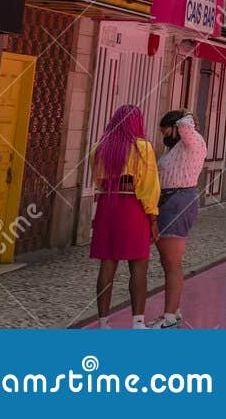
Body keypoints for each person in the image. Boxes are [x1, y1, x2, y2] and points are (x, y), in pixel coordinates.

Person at [90, 105, 160, 329]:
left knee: (107, 265)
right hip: (132, 207)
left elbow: (98, 181)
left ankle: (103, 322)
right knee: (138, 266)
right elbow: (149, 187)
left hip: (107, 206)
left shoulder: (99, 147)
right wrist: (153, 218)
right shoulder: (143, 148)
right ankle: (138, 323)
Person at [152, 110, 207, 329]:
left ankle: (170, 317)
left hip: (179, 201)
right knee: (168, 261)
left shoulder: (192, 140)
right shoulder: (176, 148)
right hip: (169, 201)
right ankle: (172, 311)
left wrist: (185, 115)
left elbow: (186, 125)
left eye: (165, 128)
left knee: (172, 262)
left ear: (176, 126)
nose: (163, 134)